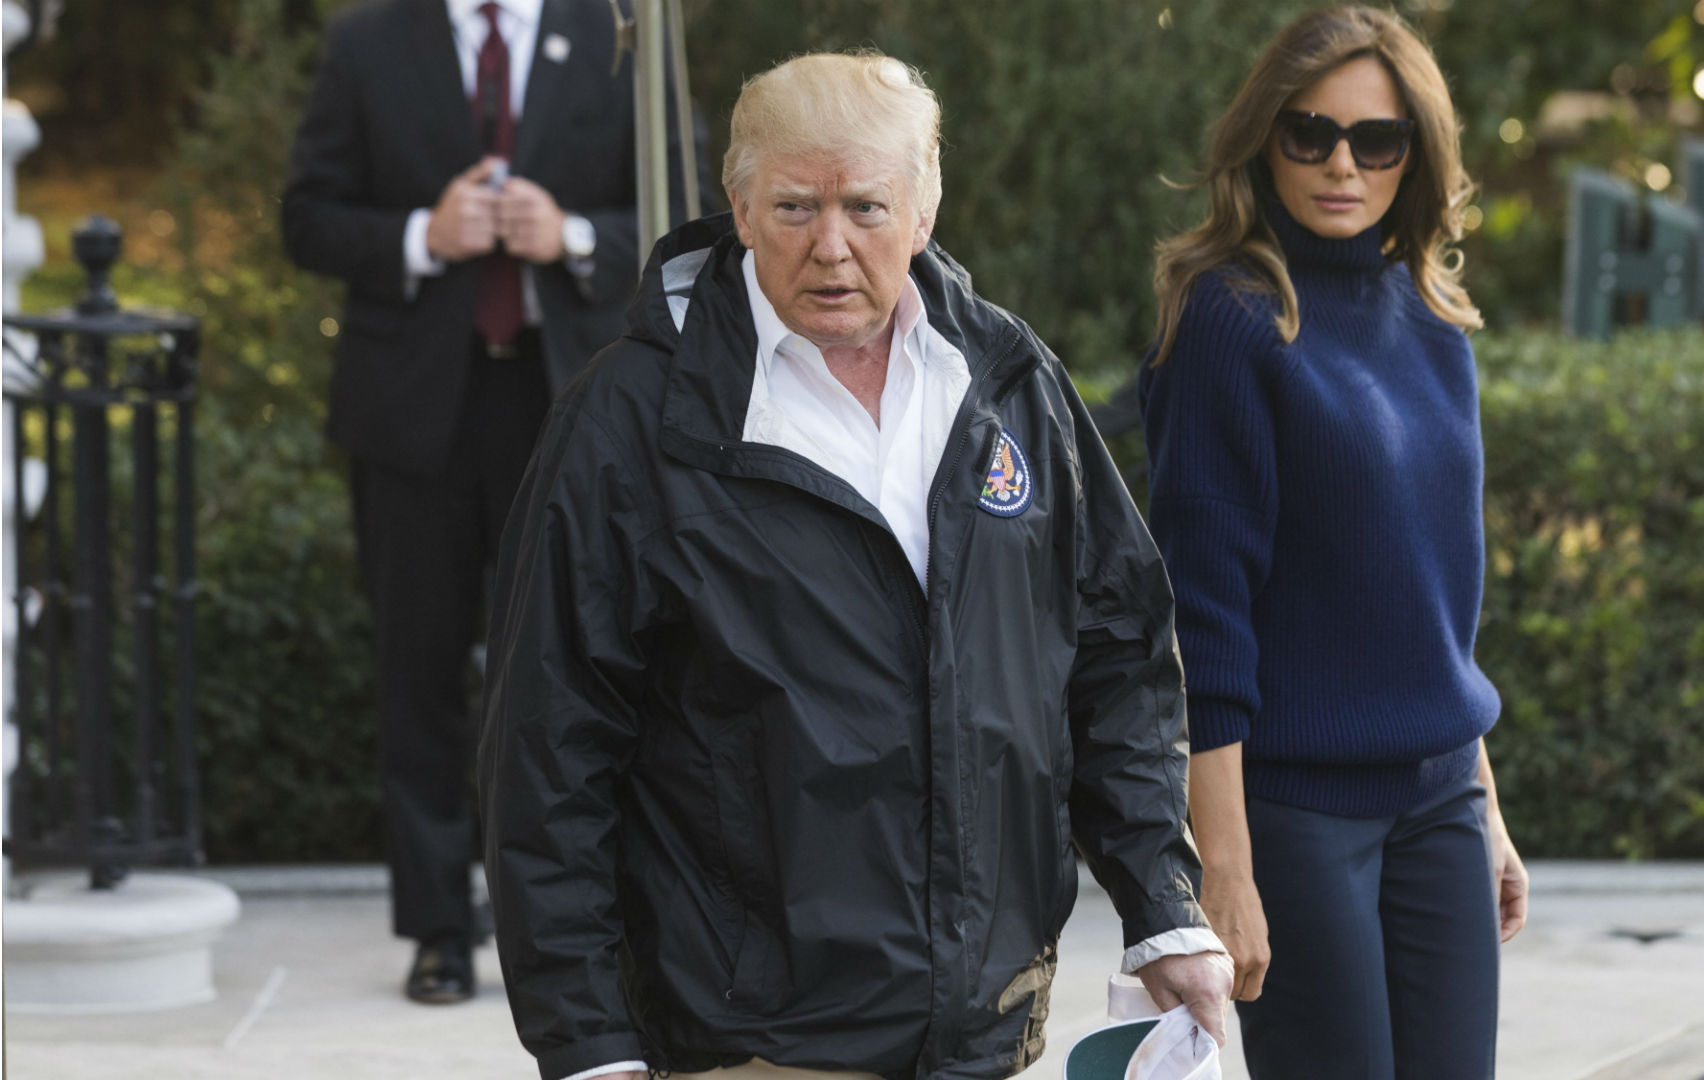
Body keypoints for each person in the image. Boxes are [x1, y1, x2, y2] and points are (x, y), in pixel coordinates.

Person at [478, 51, 1232, 1080]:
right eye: (794, 207)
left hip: (984, 1033)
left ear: (923, 212)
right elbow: (548, 744)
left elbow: (1118, 656)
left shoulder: (1009, 382)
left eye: (866, 207)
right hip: (754, 1043)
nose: (831, 247)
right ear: (739, 209)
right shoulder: (630, 422)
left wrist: (1167, 914)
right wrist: (587, 1044)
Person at [282, 0, 705, 1005]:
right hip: (414, 419)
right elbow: (306, 217)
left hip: (574, 410)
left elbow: (684, 212)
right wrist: (424, 235)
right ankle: (438, 931)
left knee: (581, 673)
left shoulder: (621, 30)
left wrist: (573, 236)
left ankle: (594, 927)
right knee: (418, 675)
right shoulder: (366, 42)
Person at [1139, 7, 1529, 1078]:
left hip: (1441, 799)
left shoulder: (1433, 315)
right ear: (1265, 140)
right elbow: (1202, 621)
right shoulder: (1228, 318)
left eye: (1377, 140)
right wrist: (1224, 868)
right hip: (1298, 817)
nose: (1340, 164)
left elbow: (1438, 601)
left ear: (1419, 154)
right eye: (1309, 133)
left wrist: (1484, 808)